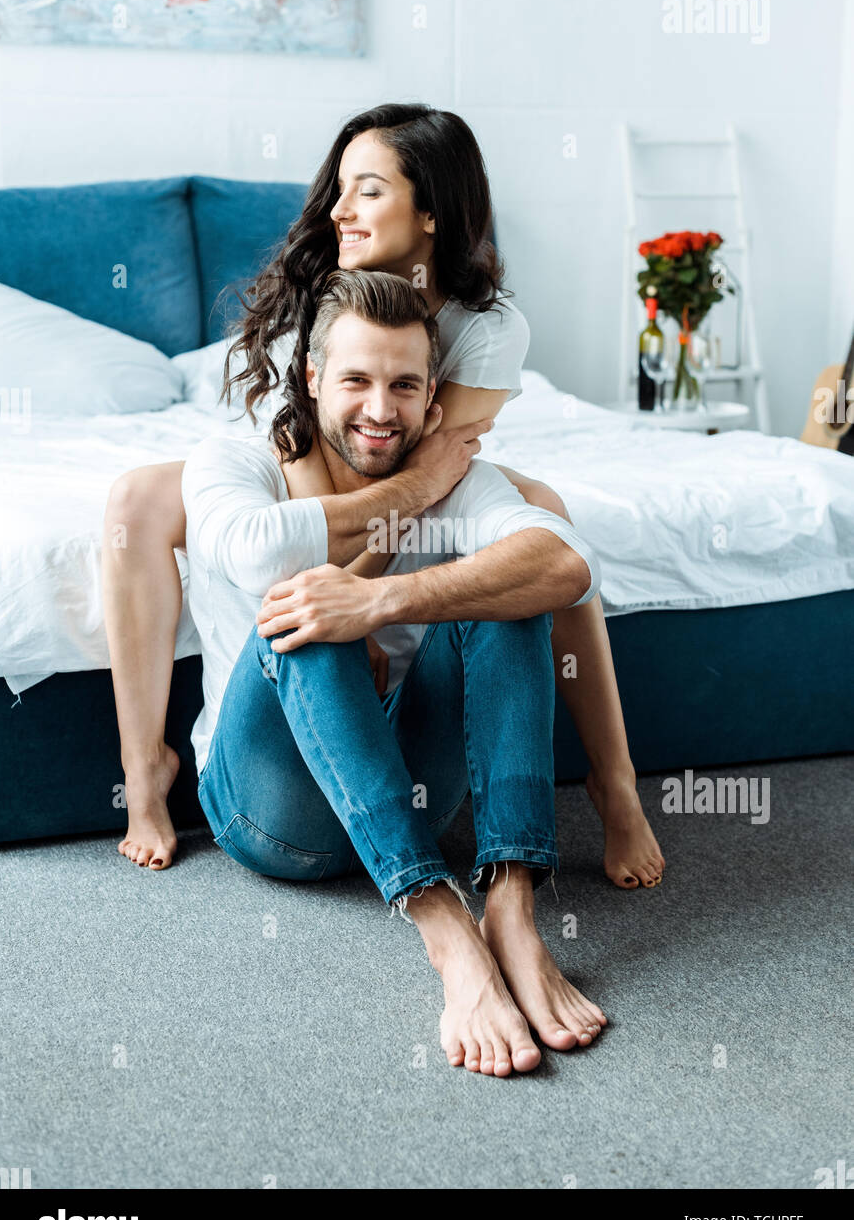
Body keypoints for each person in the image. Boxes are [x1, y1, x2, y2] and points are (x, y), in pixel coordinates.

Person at [104, 102, 664, 890]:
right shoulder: (312, 293)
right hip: (309, 459)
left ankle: (613, 782)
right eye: (340, 189)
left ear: (430, 210)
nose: (338, 209)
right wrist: (347, 600)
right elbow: (312, 455)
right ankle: (145, 767)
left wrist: (369, 602)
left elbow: (436, 467)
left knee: (542, 525)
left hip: (402, 473)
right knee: (136, 501)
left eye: (366, 191)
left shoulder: (486, 323)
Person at [183, 269, 607, 1076]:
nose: (381, 410)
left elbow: (565, 563)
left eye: (403, 385)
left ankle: (512, 907)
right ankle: (444, 924)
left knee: (507, 589)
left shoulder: (463, 480)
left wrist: (380, 600)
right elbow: (254, 551)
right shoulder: (230, 460)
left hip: (413, 783)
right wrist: (410, 493)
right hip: (274, 817)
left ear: (431, 396)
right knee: (304, 609)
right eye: (356, 380)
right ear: (311, 379)